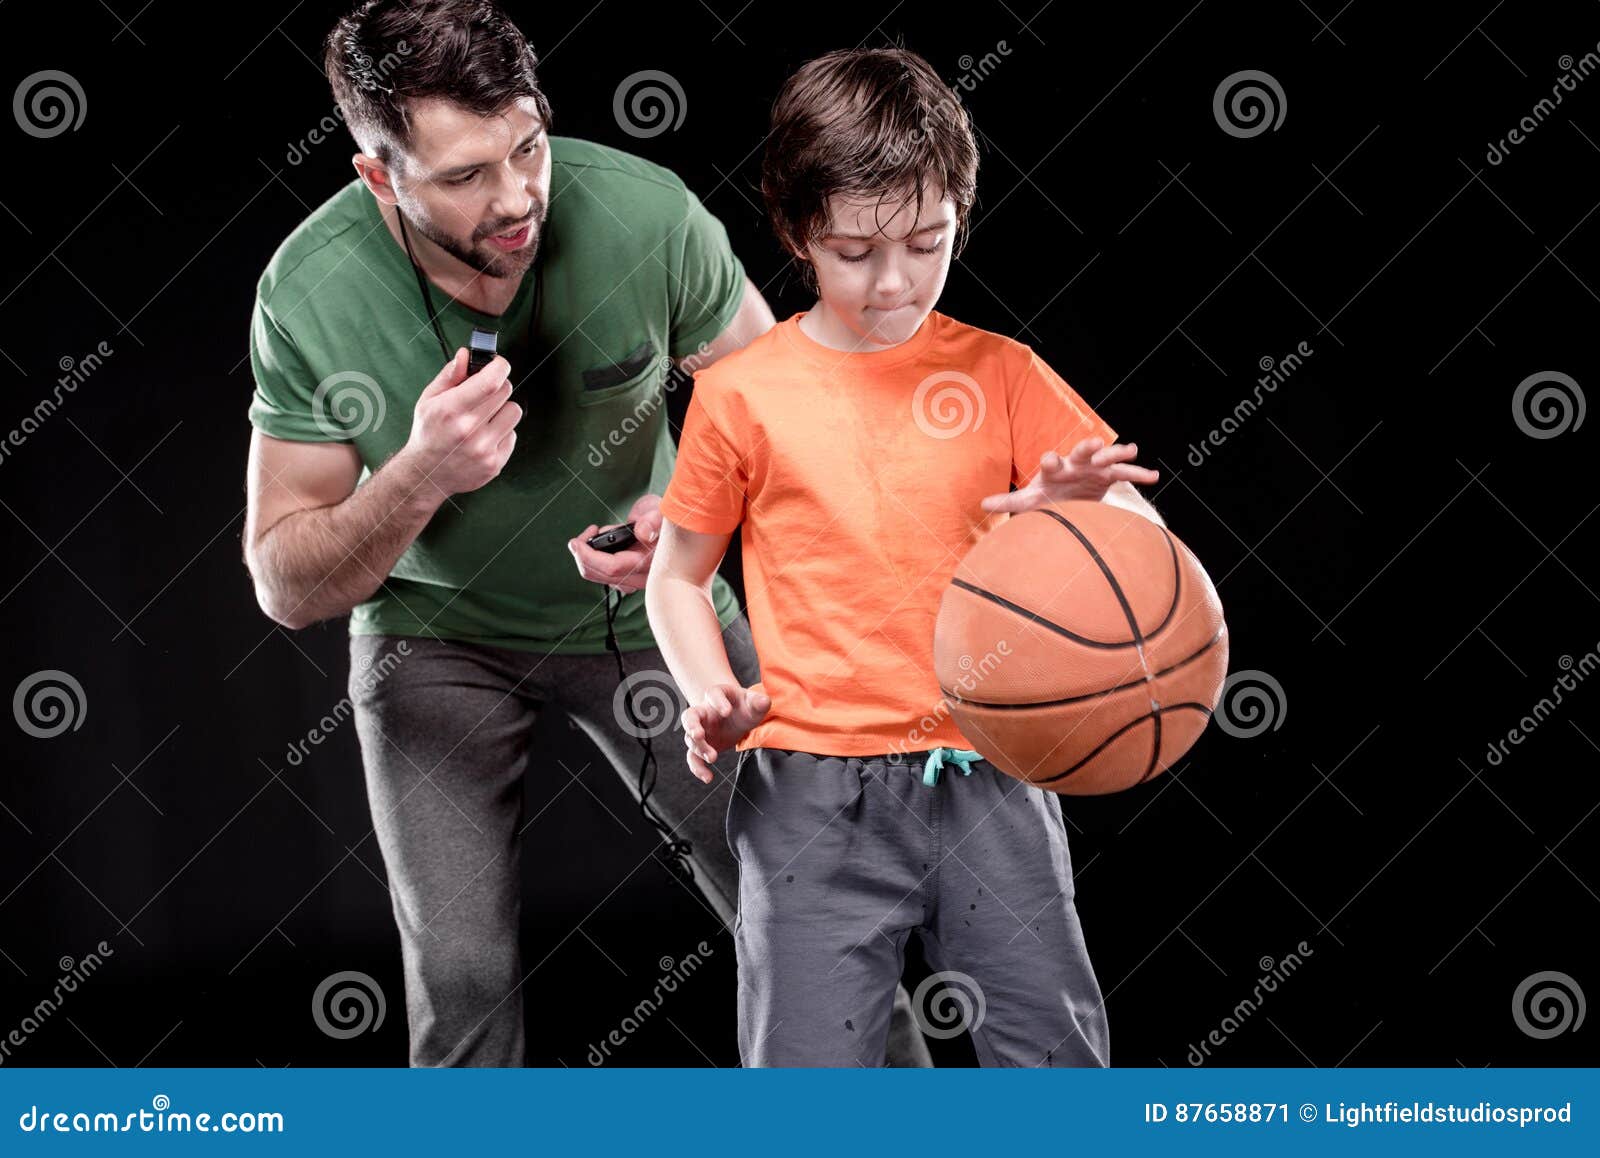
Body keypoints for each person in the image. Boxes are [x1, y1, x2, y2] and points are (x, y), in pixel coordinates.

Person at [241, 0, 932, 1066]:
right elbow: (285, 581)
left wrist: (703, 518)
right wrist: (421, 474)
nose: (517, 195)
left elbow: (802, 428)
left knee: (813, 921)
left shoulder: (644, 217)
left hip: (651, 615)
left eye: (527, 146)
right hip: (436, 637)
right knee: (460, 979)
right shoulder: (307, 289)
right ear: (381, 178)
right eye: (465, 176)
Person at [647, 46, 1165, 1066]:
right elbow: (675, 574)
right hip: (807, 798)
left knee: (1053, 1063)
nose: (894, 281)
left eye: (926, 243)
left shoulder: (1001, 372)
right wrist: (709, 688)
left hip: (990, 777)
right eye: (855, 251)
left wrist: (1078, 515)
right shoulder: (742, 393)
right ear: (798, 232)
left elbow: (1143, 543)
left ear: (958, 217)